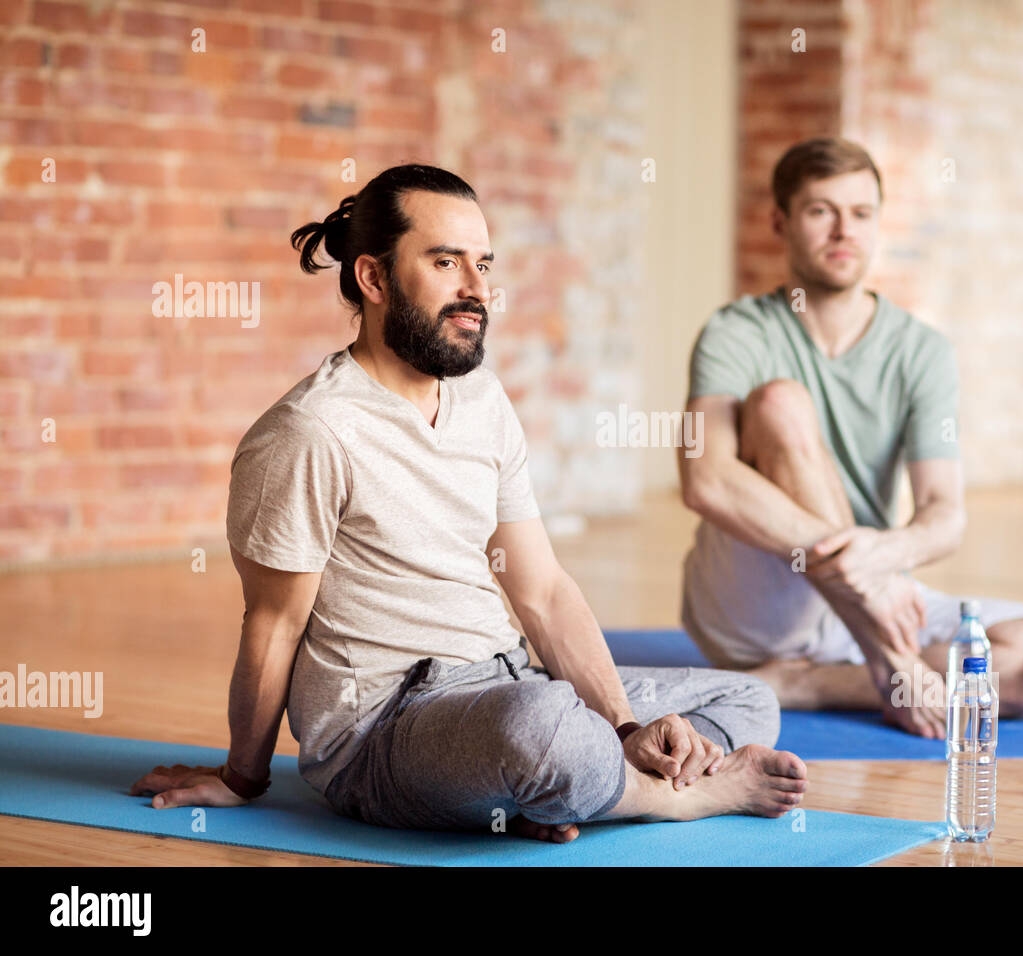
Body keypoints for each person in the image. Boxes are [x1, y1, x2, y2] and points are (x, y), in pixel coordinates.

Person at [130, 164, 806, 843]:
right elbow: (273, 625)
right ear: (372, 278)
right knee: (538, 730)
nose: (477, 289)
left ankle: (561, 789)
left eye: (482, 263)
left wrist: (626, 728)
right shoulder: (309, 432)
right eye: (446, 261)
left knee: (745, 699)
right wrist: (242, 777)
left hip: (508, 681)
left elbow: (540, 589)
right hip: (386, 732)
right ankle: (689, 796)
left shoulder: (481, 398)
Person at [677, 137, 1023, 739]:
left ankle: (801, 684)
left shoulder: (921, 349)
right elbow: (706, 479)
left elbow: (943, 515)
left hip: (873, 585)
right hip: (763, 591)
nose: (843, 230)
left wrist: (886, 558)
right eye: (821, 211)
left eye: (862, 213)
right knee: (780, 402)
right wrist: (871, 587)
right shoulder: (736, 330)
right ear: (780, 222)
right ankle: (892, 663)